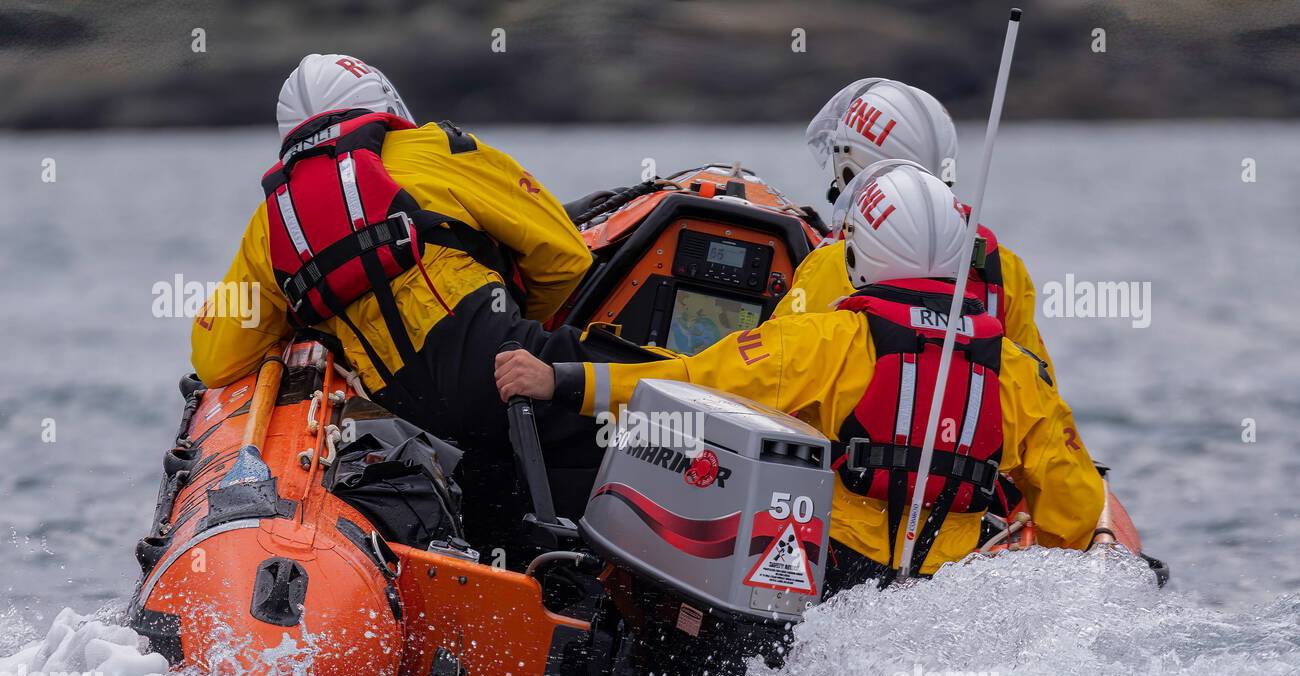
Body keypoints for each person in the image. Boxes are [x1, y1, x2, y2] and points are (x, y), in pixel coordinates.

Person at [495, 164, 1104, 592]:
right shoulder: (1019, 373)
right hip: (947, 595)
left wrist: (561, 382)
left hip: (831, 579)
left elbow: (687, 386)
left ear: (860, 252)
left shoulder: (825, 340)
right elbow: (1073, 506)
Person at [190, 53, 592, 455]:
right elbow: (566, 258)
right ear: (384, 103)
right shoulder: (436, 150)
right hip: (514, 378)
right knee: (649, 375)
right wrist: (526, 321)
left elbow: (215, 360)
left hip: (422, 429)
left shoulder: (271, 221)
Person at [776, 77, 1056, 384]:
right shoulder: (1001, 266)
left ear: (851, 169)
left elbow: (778, 361)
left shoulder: (835, 262)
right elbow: (1039, 384)